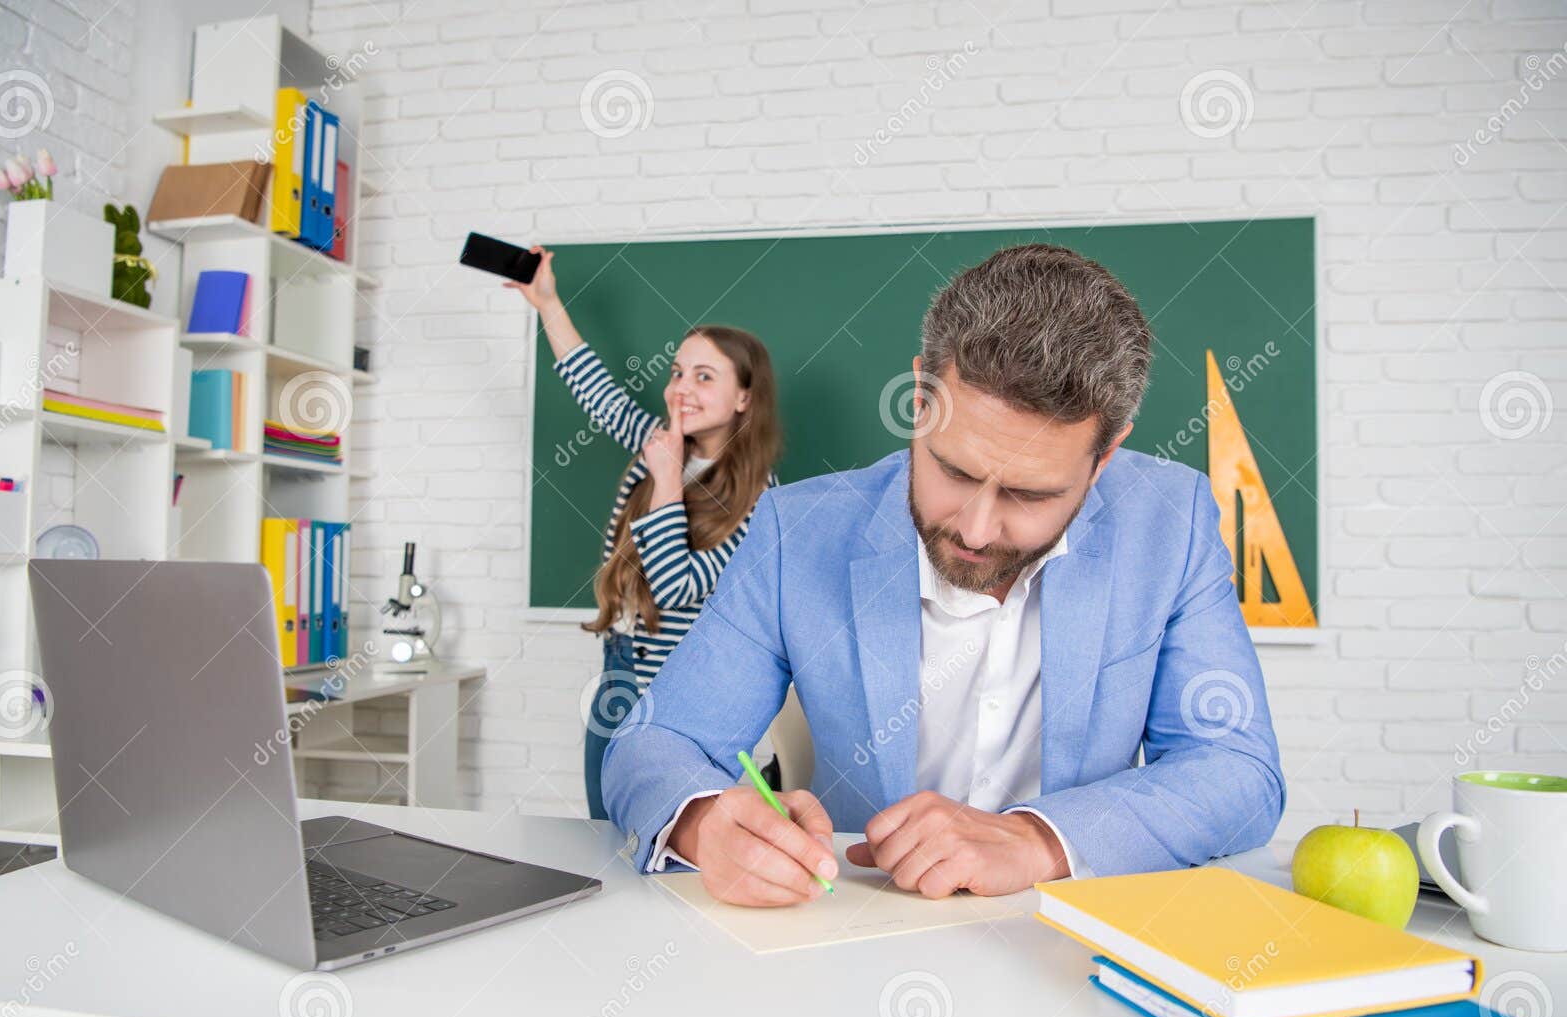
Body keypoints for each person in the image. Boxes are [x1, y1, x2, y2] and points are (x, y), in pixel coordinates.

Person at [601, 242, 1284, 906]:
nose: (977, 529)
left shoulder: (1170, 519)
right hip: (855, 936)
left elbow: (1238, 768)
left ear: (1104, 457)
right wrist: (702, 821)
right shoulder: (795, 530)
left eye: (1031, 494)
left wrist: (1036, 839)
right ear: (921, 397)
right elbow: (656, 741)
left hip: (1072, 945)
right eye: (954, 470)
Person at [506, 247, 782, 820]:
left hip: (687, 687)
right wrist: (547, 303)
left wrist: (665, 482)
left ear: (744, 398)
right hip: (621, 666)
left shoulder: (763, 497)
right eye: (677, 372)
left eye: (704, 376)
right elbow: (596, 392)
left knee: (663, 835)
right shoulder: (660, 444)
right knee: (603, 827)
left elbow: (676, 583)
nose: (681, 387)